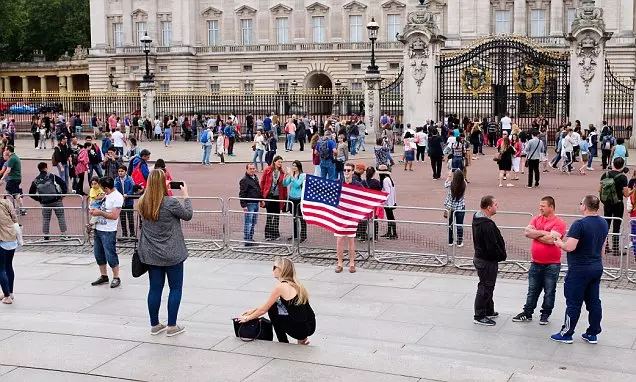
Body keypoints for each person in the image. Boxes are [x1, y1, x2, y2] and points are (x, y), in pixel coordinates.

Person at [137, 169, 192, 337]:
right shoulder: (170, 202)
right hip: (173, 253)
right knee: (175, 288)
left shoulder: (142, 202)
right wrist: (186, 195)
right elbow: (188, 215)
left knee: (154, 289)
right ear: (163, 183)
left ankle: (154, 324)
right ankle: (172, 326)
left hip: (151, 253)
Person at [551, 195, 607, 344]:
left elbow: (570, 247)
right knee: (594, 301)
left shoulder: (579, 224)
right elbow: (602, 247)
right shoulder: (603, 223)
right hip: (596, 266)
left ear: (584, 206)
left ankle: (567, 333)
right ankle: (593, 332)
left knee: (574, 302)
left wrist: (558, 242)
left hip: (579, 268)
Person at [513, 196, 566, 324]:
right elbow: (526, 232)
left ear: (551, 207)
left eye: (543, 206)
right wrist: (543, 232)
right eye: (540, 205)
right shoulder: (537, 218)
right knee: (532, 290)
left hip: (552, 264)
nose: (540, 208)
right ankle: (527, 312)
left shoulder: (559, 223)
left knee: (549, 291)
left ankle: (545, 314)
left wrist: (535, 234)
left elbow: (550, 241)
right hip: (536, 262)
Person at [239, 258, 315, 344]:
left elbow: (264, 309)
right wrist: (254, 310)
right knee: (274, 306)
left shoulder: (281, 287)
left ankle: (283, 341)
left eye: (274, 267)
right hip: (310, 326)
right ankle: (301, 340)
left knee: (272, 309)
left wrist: (247, 318)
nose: (273, 270)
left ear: (281, 269)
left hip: (299, 330)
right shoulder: (297, 284)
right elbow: (281, 304)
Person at [472, 195, 507, 326]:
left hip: (482, 258)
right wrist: (500, 255)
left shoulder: (478, 219)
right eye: (495, 204)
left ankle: (488, 309)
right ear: (489, 207)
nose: (497, 206)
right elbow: (491, 246)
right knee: (486, 286)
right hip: (486, 260)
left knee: (487, 285)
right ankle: (479, 315)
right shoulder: (486, 225)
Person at [89, 176, 124, 288]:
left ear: (106, 188)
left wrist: (99, 213)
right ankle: (104, 276)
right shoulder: (105, 195)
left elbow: (114, 216)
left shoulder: (117, 197)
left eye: (103, 188)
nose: (102, 191)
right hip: (98, 228)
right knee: (98, 254)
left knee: (110, 254)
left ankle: (116, 277)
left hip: (108, 230)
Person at [28, 162, 68, 241]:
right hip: (56, 200)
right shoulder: (52, 176)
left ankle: (46, 235)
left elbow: (31, 193)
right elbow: (63, 184)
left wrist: (40, 199)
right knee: (60, 217)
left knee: (46, 218)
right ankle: (64, 234)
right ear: (46, 168)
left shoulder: (36, 180)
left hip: (45, 203)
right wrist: (62, 195)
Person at [335, 163, 362, 274]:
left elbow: (364, 197)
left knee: (351, 240)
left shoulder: (357, 185)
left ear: (352, 171)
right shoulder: (338, 184)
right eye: (345, 170)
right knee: (340, 240)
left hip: (352, 216)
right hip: (340, 215)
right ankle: (339, 263)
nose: (346, 172)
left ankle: (352, 263)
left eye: (348, 170)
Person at [599, 157, 630, 255]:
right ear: (622, 165)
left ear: (613, 164)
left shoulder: (606, 174)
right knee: (617, 225)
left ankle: (605, 246)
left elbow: (600, 189)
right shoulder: (623, 177)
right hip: (618, 203)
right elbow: (626, 194)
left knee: (606, 224)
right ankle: (615, 248)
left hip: (607, 203)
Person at [261, 156, 287, 241]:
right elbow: (262, 182)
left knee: (276, 216)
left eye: (281, 162)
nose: (280, 164)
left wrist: (285, 198)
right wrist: (261, 196)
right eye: (279, 162)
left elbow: (284, 186)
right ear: (274, 162)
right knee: (269, 215)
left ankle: (275, 233)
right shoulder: (268, 170)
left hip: (278, 196)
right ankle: (268, 234)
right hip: (269, 195)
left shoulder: (282, 172)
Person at [283, 161, 307, 243]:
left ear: (299, 167)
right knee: (294, 217)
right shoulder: (292, 175)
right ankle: (295, 234)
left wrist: (291, 176)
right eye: (293, 166)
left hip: (299, 198)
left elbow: (297, 184)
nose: (293, 168)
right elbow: (285, 184)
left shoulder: (302, 175)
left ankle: (303, 235)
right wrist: (285, 176)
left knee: (301, 217)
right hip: (292, 198)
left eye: (295, 166)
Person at [0, 197, 18, 304]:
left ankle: (7, 297)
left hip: (2, 239)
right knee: (9, 266)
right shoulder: (7, 201)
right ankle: (10, 292)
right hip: (12, 238)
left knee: (1, 269)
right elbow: (15, 218)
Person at [239, 163, 262, 246]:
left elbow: (258, 189)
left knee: (253, 222)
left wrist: (261, 199)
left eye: (253, 168)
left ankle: (250, 238)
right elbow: (242, 193)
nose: (252, 170)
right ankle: (247, 239)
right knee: (248, 222)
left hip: (256, 203)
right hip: (249, 203)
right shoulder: (244, 180)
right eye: (250, 169)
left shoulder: (255, 178)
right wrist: (244, 205)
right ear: (247, 170)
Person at [444, 170, 467, 247]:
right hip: (460, 207)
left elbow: (445, 184)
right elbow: (463, 180)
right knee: (459, 225)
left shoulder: (451, 184)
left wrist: (449, 176)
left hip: (450, 207)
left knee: (450, 224)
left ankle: (450, 241)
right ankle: (459, 242)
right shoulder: (464, 184)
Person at [0, 145, 24, 215]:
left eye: (5, 150)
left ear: (8, 150)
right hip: (15, 178)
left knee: (14, 194)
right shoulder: (14, 157)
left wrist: (2, 179)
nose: (4, 151)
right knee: (9, 193)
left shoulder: (12, 159)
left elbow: (8, 170)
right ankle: (12, 208)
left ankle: (18, 209)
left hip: (13, 179)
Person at [115, 165, 136, 239]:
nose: (120, 173)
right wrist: (120, 195)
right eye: (119, 171)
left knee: (130, 218)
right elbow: (115, 188)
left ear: (125, 172)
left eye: (122, 171)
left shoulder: (129, 179)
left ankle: (132, 233)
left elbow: (132, 188)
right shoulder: (117, 179)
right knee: (122, 218)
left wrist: (127, 194)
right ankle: (124, 233)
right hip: (121, 202)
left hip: (129, 201)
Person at [378, 164, 397, 239]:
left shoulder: (385, 180)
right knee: (390, 217)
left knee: (390, 217)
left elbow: (387, 192)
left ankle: (394, 233)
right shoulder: (388, 178)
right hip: (391, 201)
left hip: (388, 202)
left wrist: (383, 200)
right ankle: (390, 232)